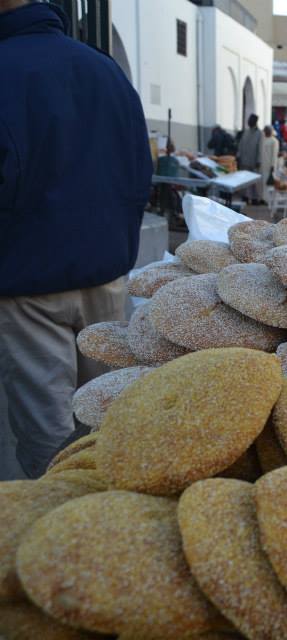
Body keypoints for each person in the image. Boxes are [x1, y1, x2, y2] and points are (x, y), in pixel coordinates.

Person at [0, 0, 153, 479]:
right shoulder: (105, 69)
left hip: (27, 284)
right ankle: (113, 509)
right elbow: (140, 170)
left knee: (48, 440)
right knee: (108, 419)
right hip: (105, 274)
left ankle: (62, 519)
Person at [237, 113, 265, 204]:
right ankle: (245, 196)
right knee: (244, 180)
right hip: (244, 160)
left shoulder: (260, 133)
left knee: (254, 181)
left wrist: (259, 160)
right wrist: (238, 156)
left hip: (254, 161)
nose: (248, 122)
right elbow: (241, 145)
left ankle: (254, 198)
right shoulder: (246, 131)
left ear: (255, 122)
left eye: (250, 120)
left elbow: (260, 148)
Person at [260, 125, 280, 206]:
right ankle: (263, 198)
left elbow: (274, 155)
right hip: (263, 164)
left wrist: (273, 166)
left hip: (270, 165)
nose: (265, 132)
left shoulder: (274, 141)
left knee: (268, 183)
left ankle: (268, 200)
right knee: (263, 182)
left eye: (267, 130)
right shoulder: (263, 139)